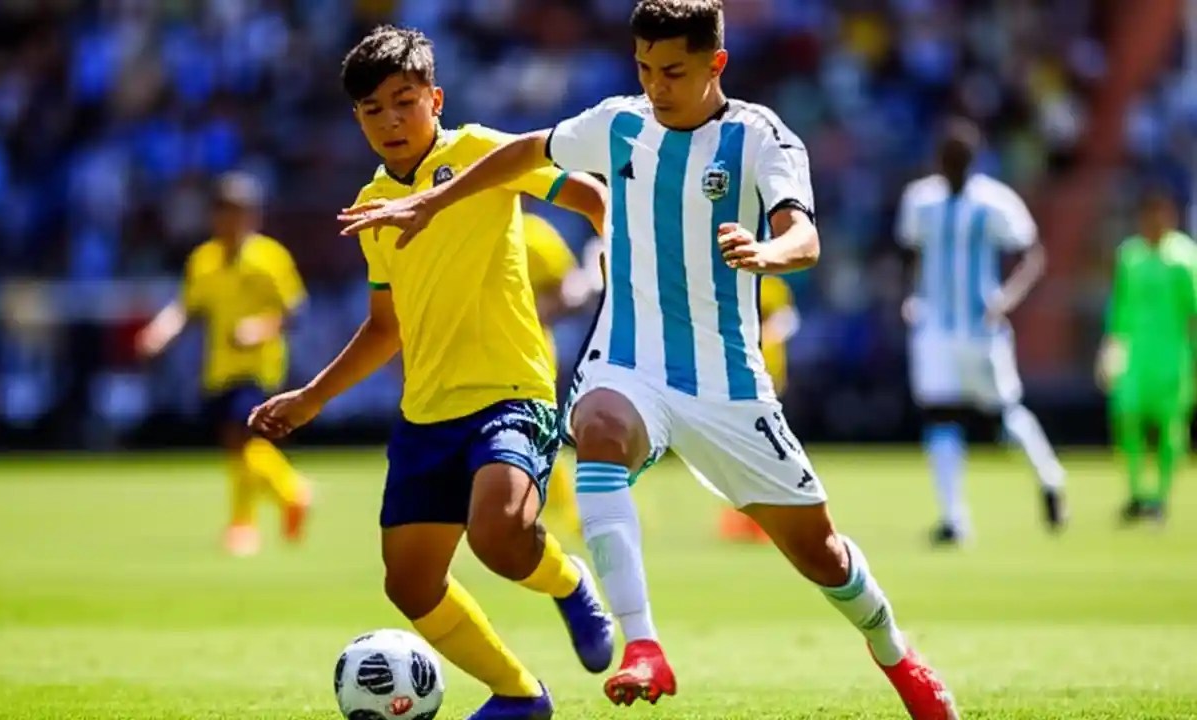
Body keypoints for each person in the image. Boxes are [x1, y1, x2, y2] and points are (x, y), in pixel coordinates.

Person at [339, 3, 958, 718]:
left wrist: (768, 254)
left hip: (728, 381)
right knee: (597, 426)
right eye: (644, 68)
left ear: (714, 64)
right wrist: (436, 201)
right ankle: (643, 646)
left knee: (822, 555)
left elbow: (803, 237)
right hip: (627, 361)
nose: (655, 85)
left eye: (673, 71)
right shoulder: (618, 122)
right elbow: (526, 151)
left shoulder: (762, 138)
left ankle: (897, 655)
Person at [246, 26, 613, 720]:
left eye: (403, 101)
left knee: (500, 535)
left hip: (512, 392)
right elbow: (387, 328)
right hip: (426, 412)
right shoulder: (371, 205)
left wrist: (609, 248)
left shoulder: (478, 151)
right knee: (410, 583)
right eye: (372, 110)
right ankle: (520, 696)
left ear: (435, 98)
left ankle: (567, 582)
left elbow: (591, 196)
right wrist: (311, 398)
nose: (389, 120)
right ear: (356, 119)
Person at [896, 119, 1067, 545]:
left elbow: (1032, 253)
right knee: (940, 416)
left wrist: (1007, 299)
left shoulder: (993, 202)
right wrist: (911, 296)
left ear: (972, 160)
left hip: (979, 328)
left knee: (1005, 414)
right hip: (934, 328)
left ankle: (1049, 477)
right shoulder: (921, 201)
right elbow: (910, 253)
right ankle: (954, 518)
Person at [137, 172, 311, 557]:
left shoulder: (268, 258)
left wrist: (259, 329)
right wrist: (160, 332)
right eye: (225, 212)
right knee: (238, 446)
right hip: (219, 366)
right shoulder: (204, 260)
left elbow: (294, 311)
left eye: (241, 212)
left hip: (260, 365)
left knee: (240, 436)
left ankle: (267, 507)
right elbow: (188, 306)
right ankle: (273, 503)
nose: (233, 221)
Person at [1096, 189, 1197, 524]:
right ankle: (1137, 493)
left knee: (1171, 428)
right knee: (1127, 420)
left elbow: (1193, 313)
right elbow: (1119, 308)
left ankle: (1162, 497)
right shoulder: (1130, 256)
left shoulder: (1184, 257)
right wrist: (1110, 349)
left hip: (1172, 357)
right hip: (1135, 357)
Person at [523, 212, 593, 541]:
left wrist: (529, 314)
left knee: (535, 432)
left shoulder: (534, 234)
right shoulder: (456, 233)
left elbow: (568, 288)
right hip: (470, 353)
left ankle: (577, 513)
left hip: (528, 351)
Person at [720, 275, 799, 543]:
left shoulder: (773, 286)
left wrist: (765, 332)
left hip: (767, 371)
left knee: (758, 447)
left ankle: (765, 515)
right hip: (737, 372)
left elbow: (786, 320)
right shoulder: (729, 279)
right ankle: (749, 515)